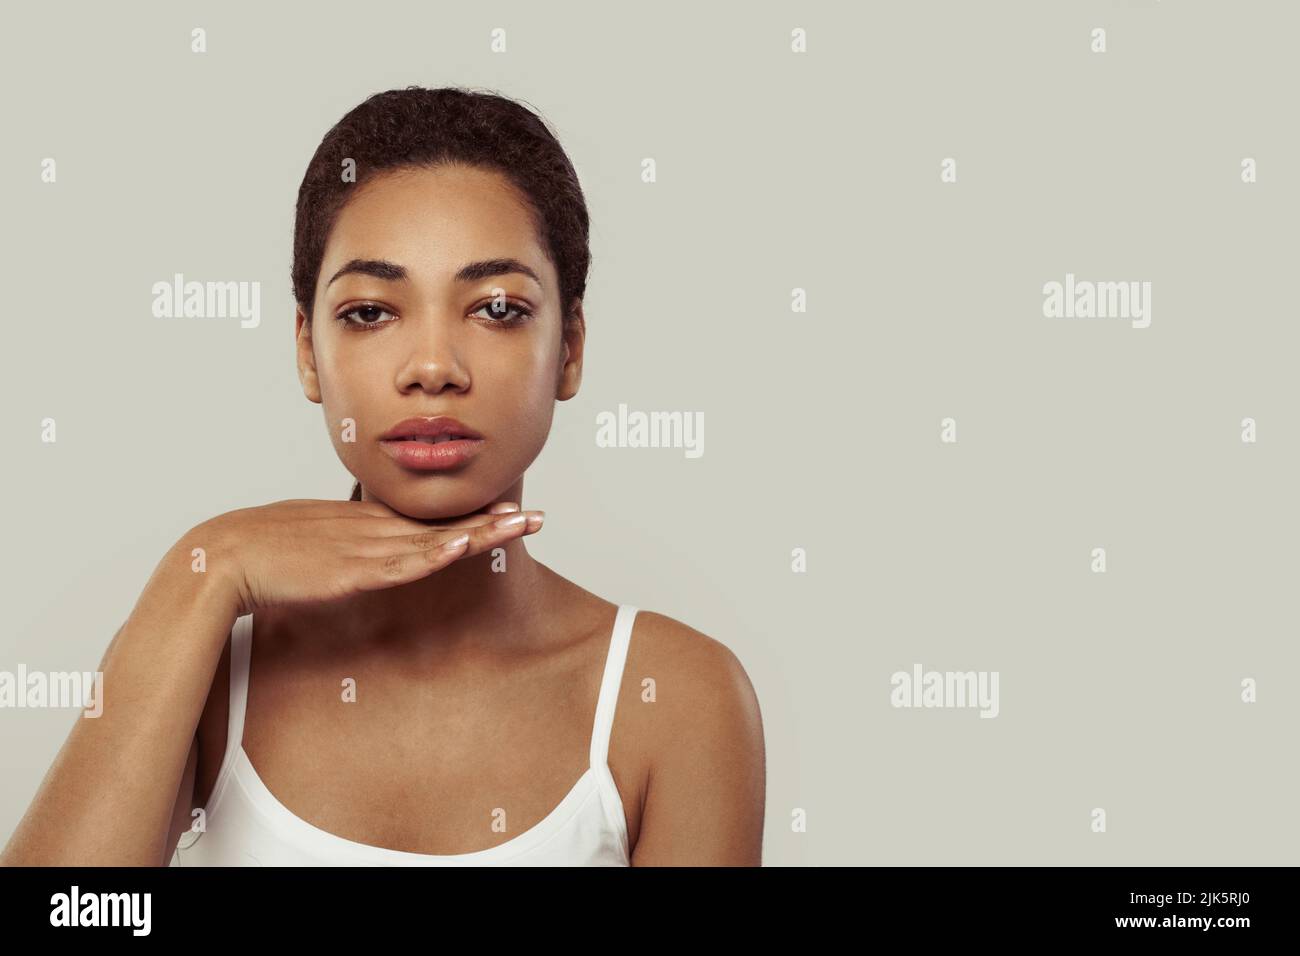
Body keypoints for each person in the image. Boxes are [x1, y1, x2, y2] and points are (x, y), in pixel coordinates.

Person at [0, 85, 765, 866]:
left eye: (496, 307)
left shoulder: (675, 697)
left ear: (569, 347)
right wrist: (205, 564)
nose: (433, 367)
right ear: (308, 351)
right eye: (371, 312)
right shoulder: (202, 656)